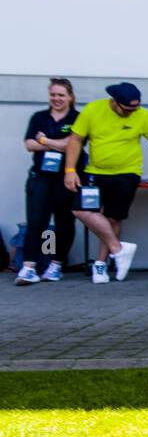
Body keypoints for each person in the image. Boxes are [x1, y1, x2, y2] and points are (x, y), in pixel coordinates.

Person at [62, 82, 148, 284]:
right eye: (127, 109)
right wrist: (70, 170)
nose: (131, 112)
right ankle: (119, 249)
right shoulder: (93, 110)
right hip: (94, 172)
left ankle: (100, 265)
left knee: (113, 218)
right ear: (114, 102)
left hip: (126, 174)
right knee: (80, 210)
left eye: (134, 108)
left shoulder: (142, 115)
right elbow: (75, 140)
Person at [15, 78, 79, 286]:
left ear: (70, 97)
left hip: (65, 179)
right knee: (37, 223)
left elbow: (71, 145)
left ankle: (55, 265)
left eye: (61, 95)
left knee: (63, 224)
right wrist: (56, 144)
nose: (56, 99)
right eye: (53, 94)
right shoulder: (39, 117)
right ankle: (29, 267)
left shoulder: (77, 118)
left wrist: (43, 140)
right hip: (40, 178)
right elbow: (29, 144)